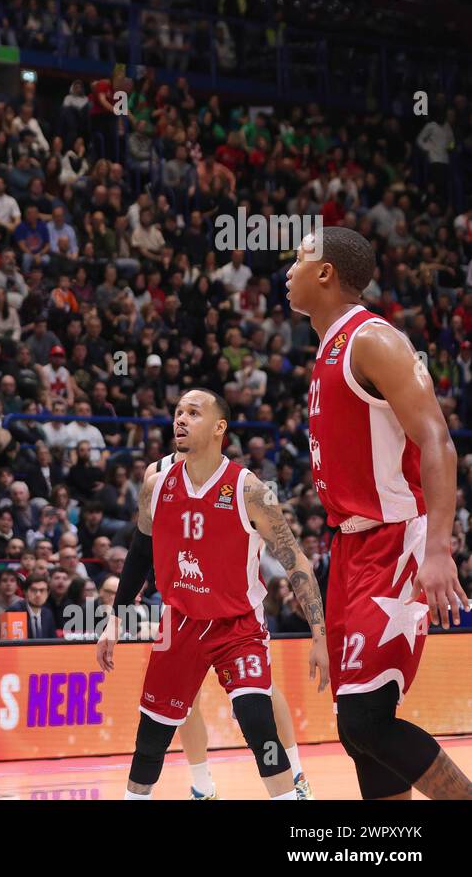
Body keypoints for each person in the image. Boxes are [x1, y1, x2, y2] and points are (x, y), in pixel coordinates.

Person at [288, 226, 472, 799]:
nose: (288, 270)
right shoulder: (328, 350)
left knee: (367, 720)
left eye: (298, 259)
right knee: (357, 730)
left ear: (325, 274)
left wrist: (439, 549)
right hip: (351, 548)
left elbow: (438, 441)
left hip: (396, 541)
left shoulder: (374, 340)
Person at [97, 389, 328, 800]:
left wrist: (320, 636)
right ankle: (190, 787)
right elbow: (139, 553)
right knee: (151, 735)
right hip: (179, 621)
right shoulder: (156, 483)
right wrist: (114, 619)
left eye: (193, 413)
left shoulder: (249, 489)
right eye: (177, 412)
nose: (180, 420)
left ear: (220, 427)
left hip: (236, 624)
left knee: (257, 721)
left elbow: (296, 562)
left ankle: (293, 792)